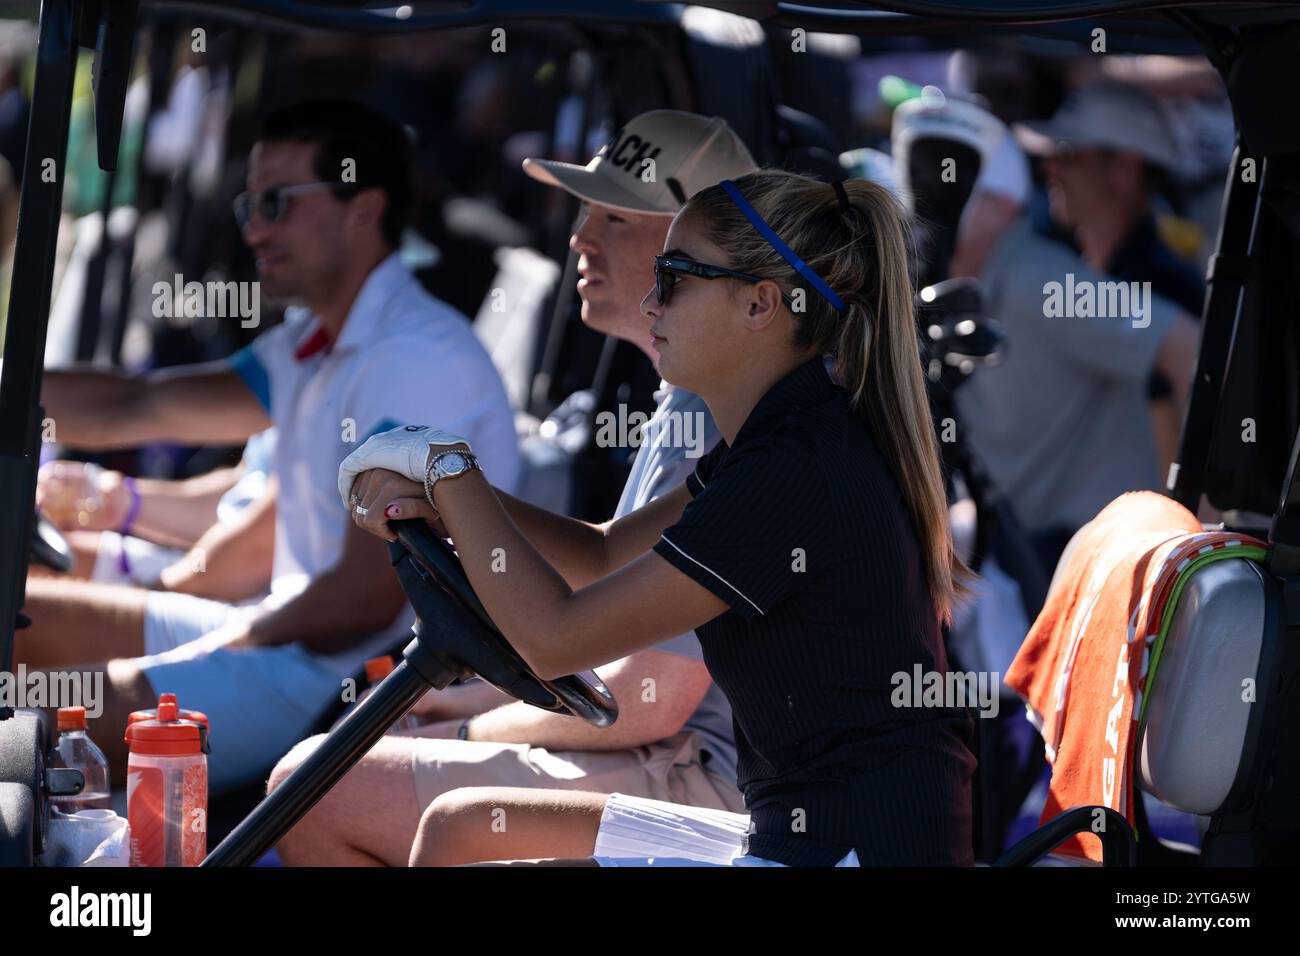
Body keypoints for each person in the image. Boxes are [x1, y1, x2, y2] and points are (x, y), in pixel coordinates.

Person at [343, 168, 977, 867]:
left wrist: (443, 466)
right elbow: (604, 552)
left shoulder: (791, 466)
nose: (651, 300)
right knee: (460, 827)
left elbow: (556, 639)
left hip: (849, 850)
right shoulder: (777, 437)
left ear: (761, 304)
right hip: (807, 833)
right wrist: (451, 503)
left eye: (673, 276)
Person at [266, 109, 757, 866]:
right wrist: (448, 499)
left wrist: (461, 725)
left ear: (695, 253)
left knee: (319, 785)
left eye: (615, 217)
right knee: (341, 762)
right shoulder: (686, 402)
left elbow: (649, 697)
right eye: (584, 211)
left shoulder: (733, 418)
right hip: (678, 764)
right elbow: (601, 561)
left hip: (722, 796)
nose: (579, 237)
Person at [17, 99, 520, 792]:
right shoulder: (316, 342)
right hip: (283, 642)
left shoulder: (411, 358)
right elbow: (141, 403)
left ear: (364, 209)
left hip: (342, 686)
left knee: (23, 723)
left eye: (277, 203)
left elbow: (365, 600)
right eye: (248, 204)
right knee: (21, 619)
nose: (254, 229)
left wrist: (226, 642)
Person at [1015, 81, 1206, 476]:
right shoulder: (1105, 279)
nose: (1049, 167)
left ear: (1124, 169)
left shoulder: (1166, 292)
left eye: (1067, 154)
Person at [36, 429, 276, 591]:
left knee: (46, 611)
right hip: (210, 573)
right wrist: (125, 502)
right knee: (37, 561)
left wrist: (150, 592)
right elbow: (238, 496)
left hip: (271, 616)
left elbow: (254, 553)